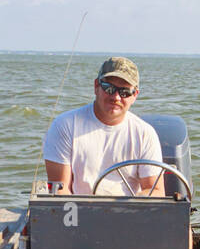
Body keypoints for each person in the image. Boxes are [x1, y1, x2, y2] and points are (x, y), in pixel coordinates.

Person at [43, 56, 166, 197]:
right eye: (109, 88)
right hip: (78, 213)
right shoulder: (64, 125)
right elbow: (60, 189)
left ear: (135, 95)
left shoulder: (145, 134)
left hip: (130, 215)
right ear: (96, 86)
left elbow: (155, 191)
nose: (116, 97)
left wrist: (135, 205)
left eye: (124, 92)